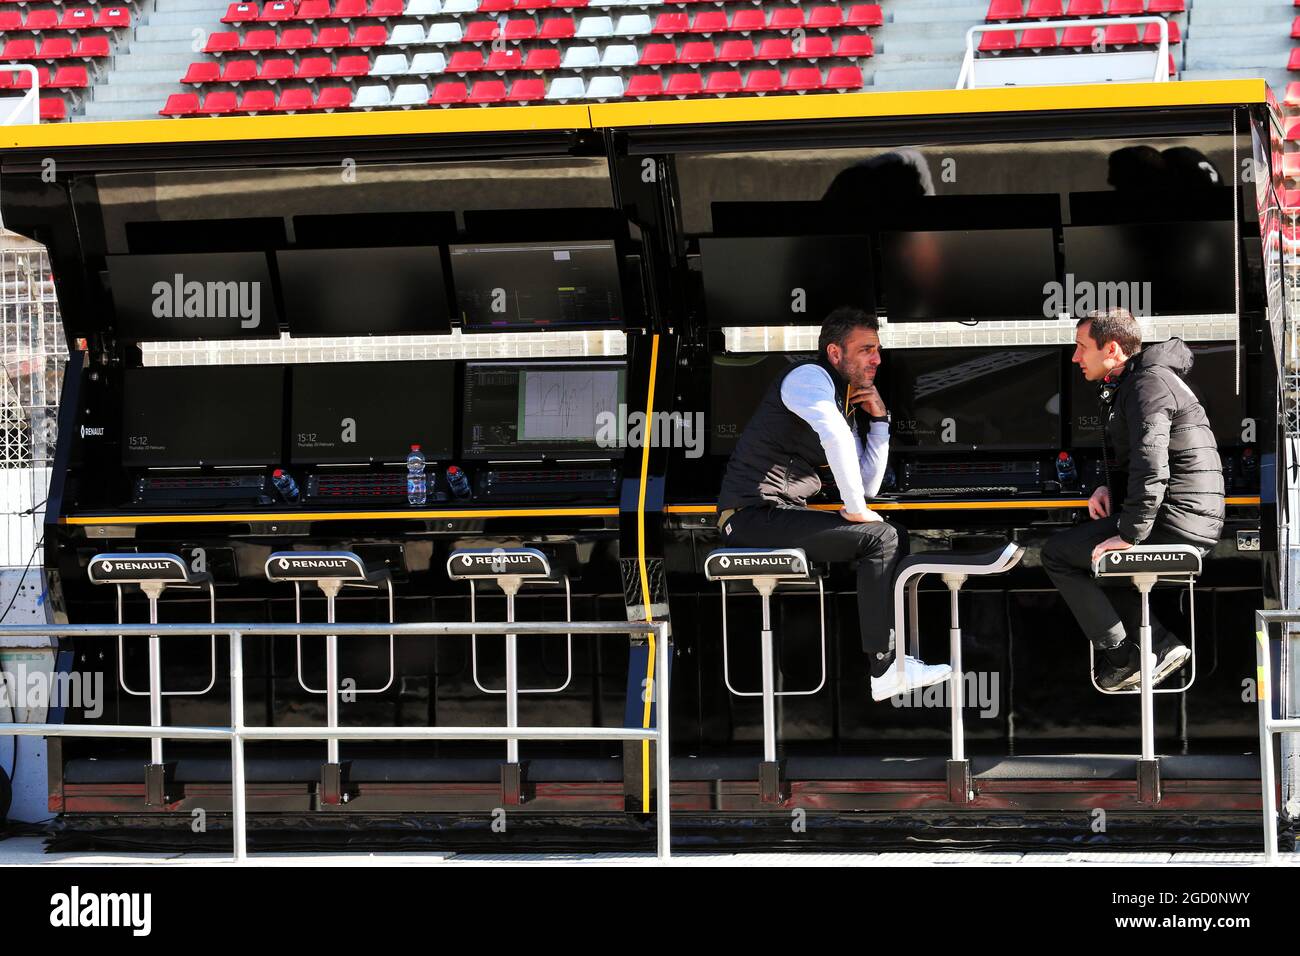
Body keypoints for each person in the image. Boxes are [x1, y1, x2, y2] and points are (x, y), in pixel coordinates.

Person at [717, 306, 952, 701]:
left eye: (877, 349)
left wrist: (879, 421)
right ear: (835, 352)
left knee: (892, 535)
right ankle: (885, 667)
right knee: (881, 538)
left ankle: (896, 661)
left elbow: (866, 484)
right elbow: (833, 436)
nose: (877, 359)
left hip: (777, 513)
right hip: (749, 517)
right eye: (866, 350)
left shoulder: (846, 399)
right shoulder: (807, 378)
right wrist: (856, 510)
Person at [1043, 309, 1224, 690]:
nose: (1075, 357)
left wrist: (1129, 535)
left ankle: (1126, 658)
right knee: (1092, 554)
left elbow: (1152, 464)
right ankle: (1157, 646)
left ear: (1111, 349)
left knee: (1058, 555)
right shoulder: (1142, 381)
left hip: (1177, 521)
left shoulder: (1147, 385)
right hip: (1180, 516)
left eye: (1081, 347)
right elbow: (1147, 461)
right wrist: (1108, 490)